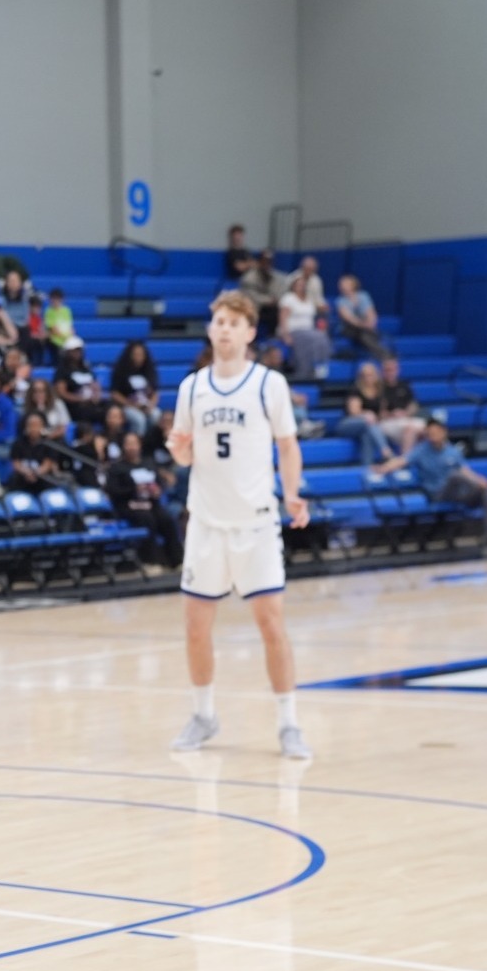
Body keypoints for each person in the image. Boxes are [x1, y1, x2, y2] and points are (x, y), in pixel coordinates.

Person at [167, 291, 312, 760]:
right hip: (207, 524)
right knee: (194, 628)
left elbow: (287, 447)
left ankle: (289, 722)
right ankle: (204, 714)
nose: (224, 328)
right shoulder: (191, 387)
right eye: (219, 322)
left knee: (272, 625)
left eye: (233, 322)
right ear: (211, 330)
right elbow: (185, 454)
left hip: (255, 525)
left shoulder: (268, 384)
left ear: (250, 333)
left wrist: (292, 493)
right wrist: (178, 450)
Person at [404, 418, 487, 556]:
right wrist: (382, 468)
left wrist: (480, 481)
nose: (433, 435)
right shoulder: (421, 450)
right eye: (430, 433)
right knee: (454, 476)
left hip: (457, 494)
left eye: (436, 432)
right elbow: (402, 461)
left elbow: (466, 471)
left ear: (444, 432)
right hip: (438, 494)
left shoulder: (452, 451)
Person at [104, 431, 183, 568]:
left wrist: (158, 490)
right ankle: (151, 561)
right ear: (123, 446)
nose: (132, 447)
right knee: (147, 520)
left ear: (139, 445)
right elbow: (113, 491)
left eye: (134, 444)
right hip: (129, 505)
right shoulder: (116, 468)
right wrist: (134, 490)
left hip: (151, 503)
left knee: (167, 519)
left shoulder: (149, 463)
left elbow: (160, 483)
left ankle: (177, 561)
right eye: (128, 444)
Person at [337, 362, 397, 467]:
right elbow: (353, 411)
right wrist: (365, 414)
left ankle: (366, 467)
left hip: (368, 426)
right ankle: (385, 451)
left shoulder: (380, 391)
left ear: (376, 375)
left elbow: (381, 413)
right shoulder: (356, 390)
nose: (367, 378)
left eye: (370, 375)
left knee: (367, 435)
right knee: (368, 420)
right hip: (349, 424)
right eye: (364, 375)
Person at [278, 274, 331, 381]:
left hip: (309, 331)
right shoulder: (288, 298)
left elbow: (320, 311)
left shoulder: (309, 299)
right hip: (294, 331)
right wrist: (285, 335)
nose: (301, 287)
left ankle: (320, 367)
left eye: (303, 285)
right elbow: (283, 317)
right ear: (293, 286)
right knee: (316, 337)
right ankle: (304, 372)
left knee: (322, 336)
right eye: (298, 285)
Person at [8, 410, 72, 494]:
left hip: (41, 474)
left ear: (42, 427)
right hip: (23, 474)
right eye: (31, 425)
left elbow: (48, 463)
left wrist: (36, 473)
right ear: (25, 427)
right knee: (14, 479)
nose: (33, 428)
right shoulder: (18, 443)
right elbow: (15, 463)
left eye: (37, 425)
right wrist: (26, 472)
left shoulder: (48, 443)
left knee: (48, 481)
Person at [109, 339, 161, 437]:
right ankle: (136, 445)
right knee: (139, 419)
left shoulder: (149, 371)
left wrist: (151, 405)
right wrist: (131, 405)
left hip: (146, 405)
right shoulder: (121, 371)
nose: (139, 358)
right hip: (127, 406)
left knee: (156, 415)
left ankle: (151, 445)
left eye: (141, 354)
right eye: (136, 354)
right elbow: (114, 394)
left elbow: (155, 392)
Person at [376, 356, 426, 456]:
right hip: (387, 422)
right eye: (387, 370)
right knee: (410, 429)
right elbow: (377, 412)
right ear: (382, 371)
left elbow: (413, 405)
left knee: (430, 429)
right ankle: (404, 462)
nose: (390, 373)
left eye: (392, 370)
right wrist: (391, 414)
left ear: (397, 370)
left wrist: (405, 413)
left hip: (405, 418)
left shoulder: (404, 385)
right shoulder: (378, 388)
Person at [335, 273, 387, 359]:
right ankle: (385, 356)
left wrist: (371, 323)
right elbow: (349, 318)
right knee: (365, 333)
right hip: (348, 328)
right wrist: (365, 326)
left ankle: (383, 356)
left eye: (344, 284)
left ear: (353, 285)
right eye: (340, 284)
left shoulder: (364, 296)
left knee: (364, 336)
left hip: (363, 329)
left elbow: (371, 313)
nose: (341, 286)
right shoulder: (340, 301)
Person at [55, 342, 105, 427]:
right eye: (74, 351)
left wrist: (96, 395)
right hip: (74, 406)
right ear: (68, 352)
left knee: (109, 409)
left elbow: (95, 384)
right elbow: (61, 393)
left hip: (90, 402)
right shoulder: (62, 370)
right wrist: (80, 399)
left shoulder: (86, 368)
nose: (77, 353)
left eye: (79, 350)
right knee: (86, 413)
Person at [239, 250, 284, 336]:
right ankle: (250, 339)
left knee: (277, 311)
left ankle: (272, 338)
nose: (267, 265)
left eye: (269, 262)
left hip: (269, 309)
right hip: (254, 307)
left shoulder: (275, 277)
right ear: (259, 262)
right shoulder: (249, 278)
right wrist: (268, 300)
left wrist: (274, 301)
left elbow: (278, 293)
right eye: (264, 262)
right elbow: (251, 296)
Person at [42, 288, 76, 354]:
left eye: (57, 299)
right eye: (53, 299)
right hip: (55, 339)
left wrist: (70, 335)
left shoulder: (67, 310)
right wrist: (64, 336)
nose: (55, 301)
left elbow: (70, 326)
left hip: (66, 337)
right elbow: (52, 329)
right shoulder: (48, 311)